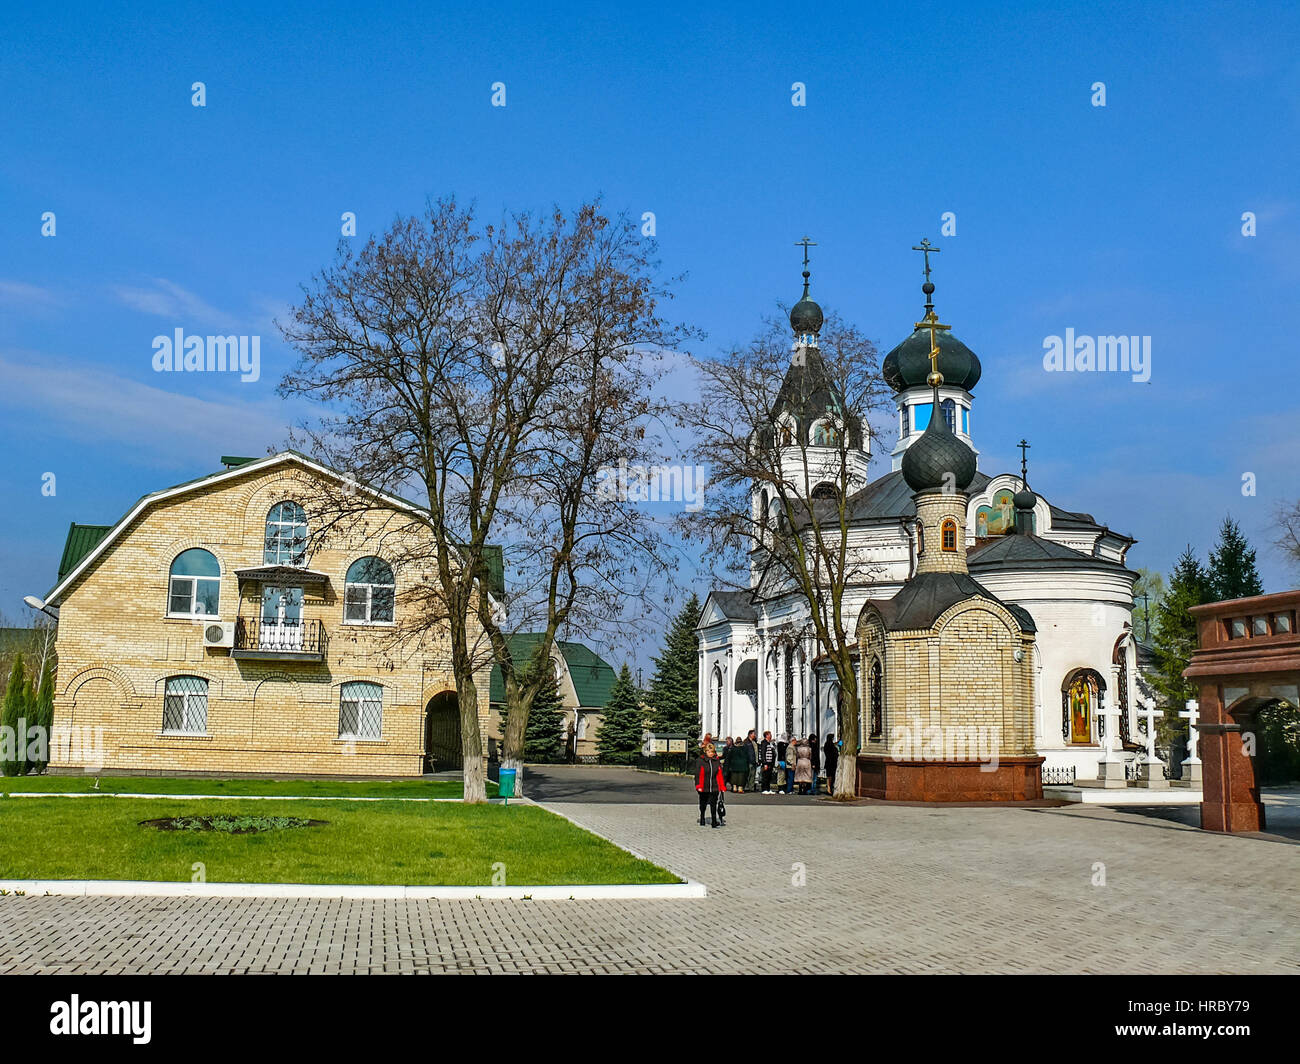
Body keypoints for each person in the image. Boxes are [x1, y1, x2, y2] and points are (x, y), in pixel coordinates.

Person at [694, 742, 726, 828]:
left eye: (712, 752)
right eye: (709, 752)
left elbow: (720, 774)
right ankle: (702, 817)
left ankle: (714, 821)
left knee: (713, 804)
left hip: (714, 786)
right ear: (705, 751)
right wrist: (698, 786)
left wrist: (722, 786)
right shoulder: (701, 761)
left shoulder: (716, 760)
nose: (711, 753)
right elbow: (698, 774)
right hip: (704, 786)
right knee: (703, 803)